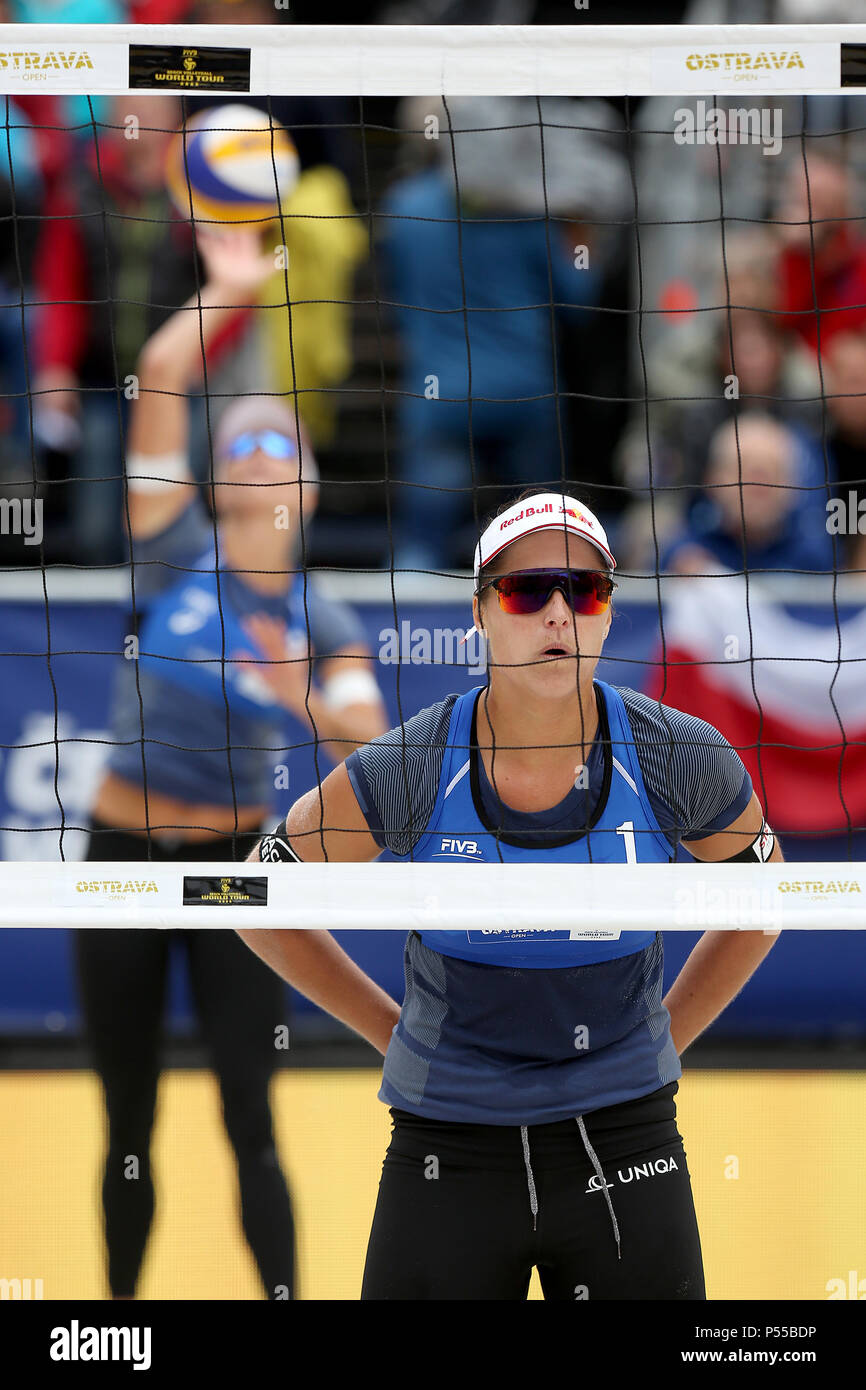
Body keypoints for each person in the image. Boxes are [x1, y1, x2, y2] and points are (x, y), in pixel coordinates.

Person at [237, 487, 783, 1301]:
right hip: (448, 1144)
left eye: (585, 590)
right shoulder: (416, 763)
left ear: (605, 614)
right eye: (529, 591)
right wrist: (390, 1033)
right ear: (482, 612)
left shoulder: (677, 755)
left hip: (626, 1140)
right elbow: (248, 895)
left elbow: (769, 899)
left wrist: (662, 1034)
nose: (558, 614)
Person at [76, 226, 388, 1301]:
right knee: (126, 1118)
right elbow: (160, 373)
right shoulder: (169, 544)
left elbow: (365, 734)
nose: (261, 489)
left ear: (300, 496)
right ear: (220, 484)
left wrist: (302, 691)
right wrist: (230, 290)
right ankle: (115, 1320)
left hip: (230, 876)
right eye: (244, 468)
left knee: (249, 1116)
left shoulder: (321, 612)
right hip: (119, 856)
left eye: (279, 473)